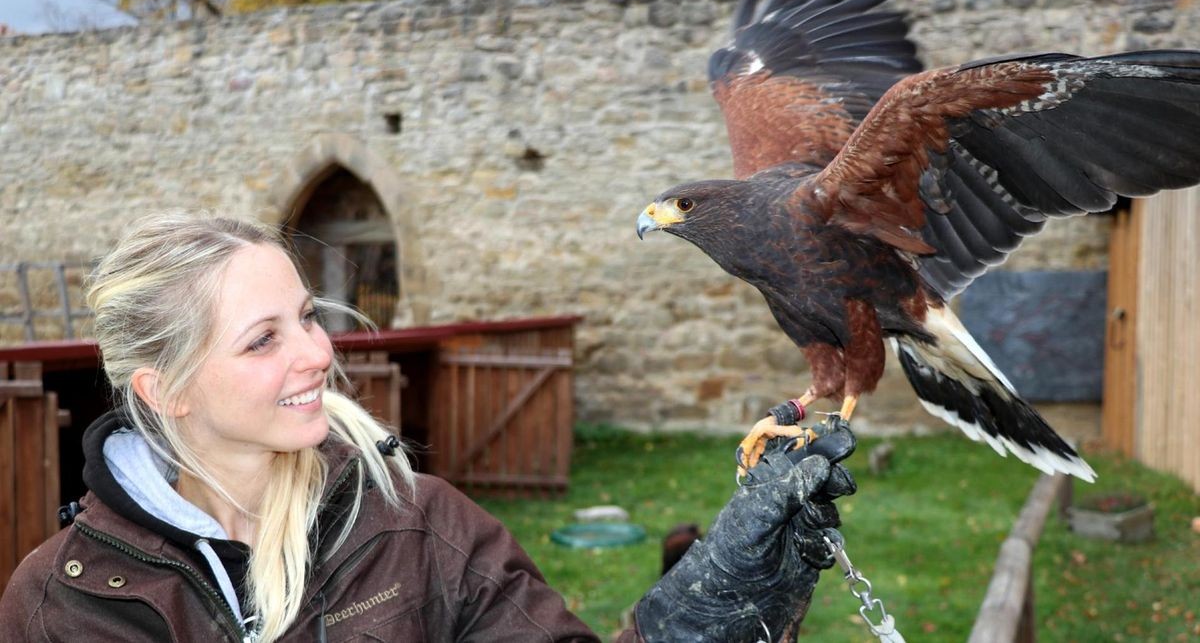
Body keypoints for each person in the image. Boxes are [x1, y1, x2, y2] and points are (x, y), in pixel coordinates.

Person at [0, 212, 857, 642]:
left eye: (307, 316)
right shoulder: (62, 602)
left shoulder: (417, 525)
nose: (316, 353)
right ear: (167, 390)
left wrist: (721, 600)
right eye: (263, 339)